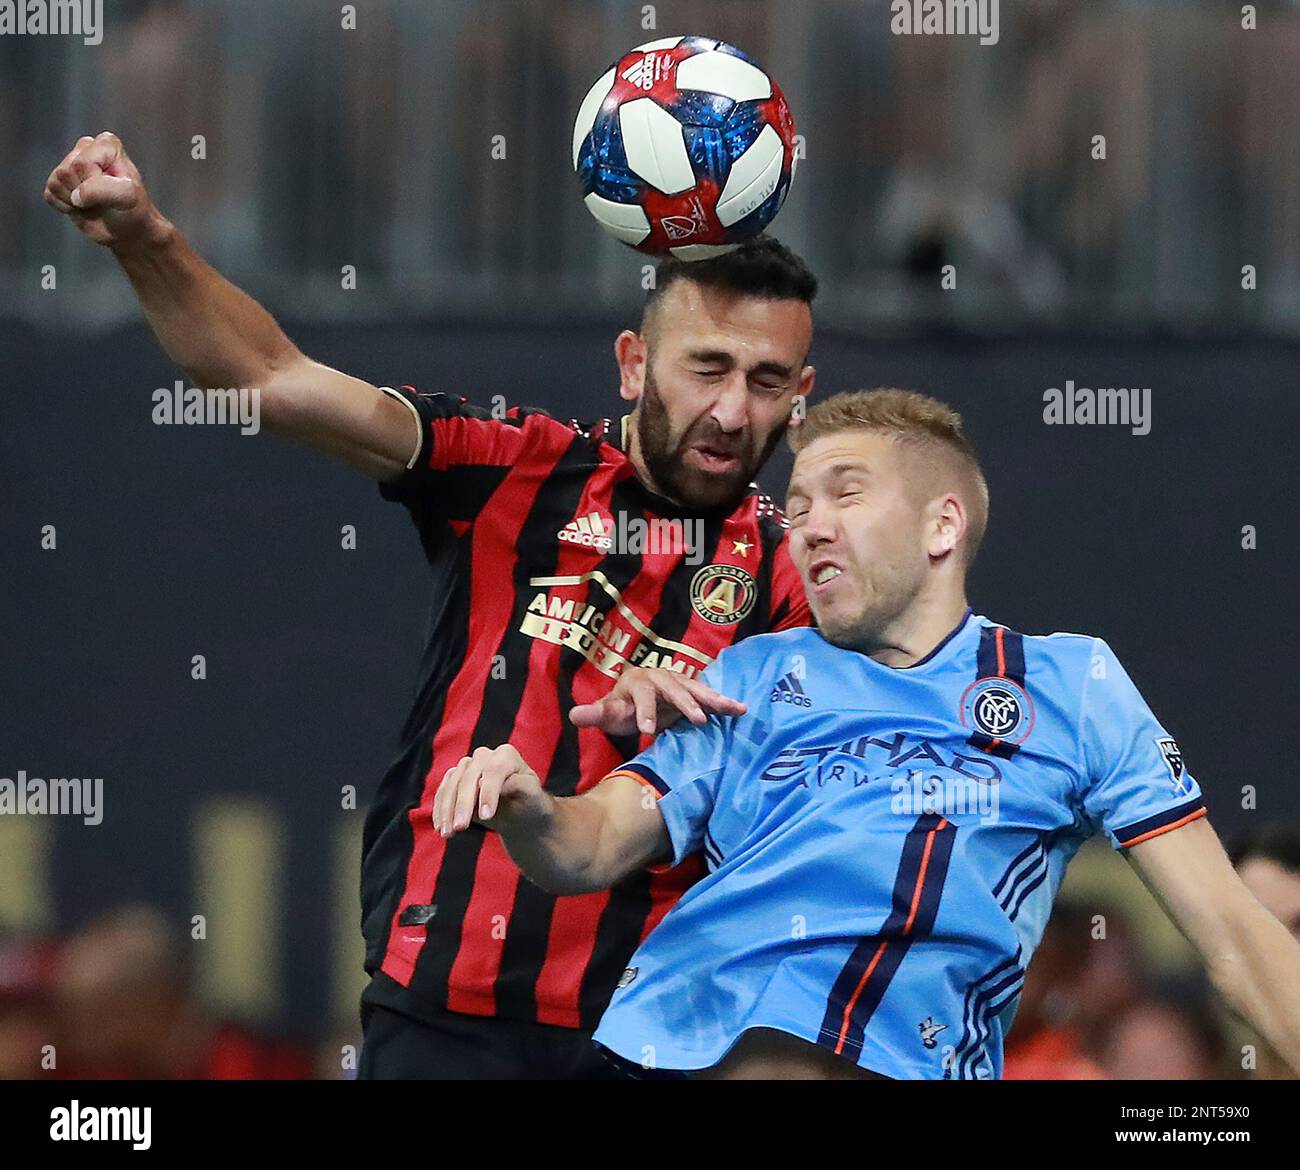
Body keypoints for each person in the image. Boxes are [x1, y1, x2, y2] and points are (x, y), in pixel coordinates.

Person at [44, 133, 817, 1078]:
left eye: (767, 382)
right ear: (631, 363)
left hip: (657, 1031)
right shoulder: (511, 466)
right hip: (445, 1010)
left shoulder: (797, 571)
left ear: (800, 396)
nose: (734, 412)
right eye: (707, 368)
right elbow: (268, 378)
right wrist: (146, 236)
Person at [437, 387, 1300, 1079]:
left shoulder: (1071, 687)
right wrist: (529, 807)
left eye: (846, 493)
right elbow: (587, 850)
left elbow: (1231, 930)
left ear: (942, 526)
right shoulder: (750, 675)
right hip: (667, 1050)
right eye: (798, 503)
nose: (808, 523)